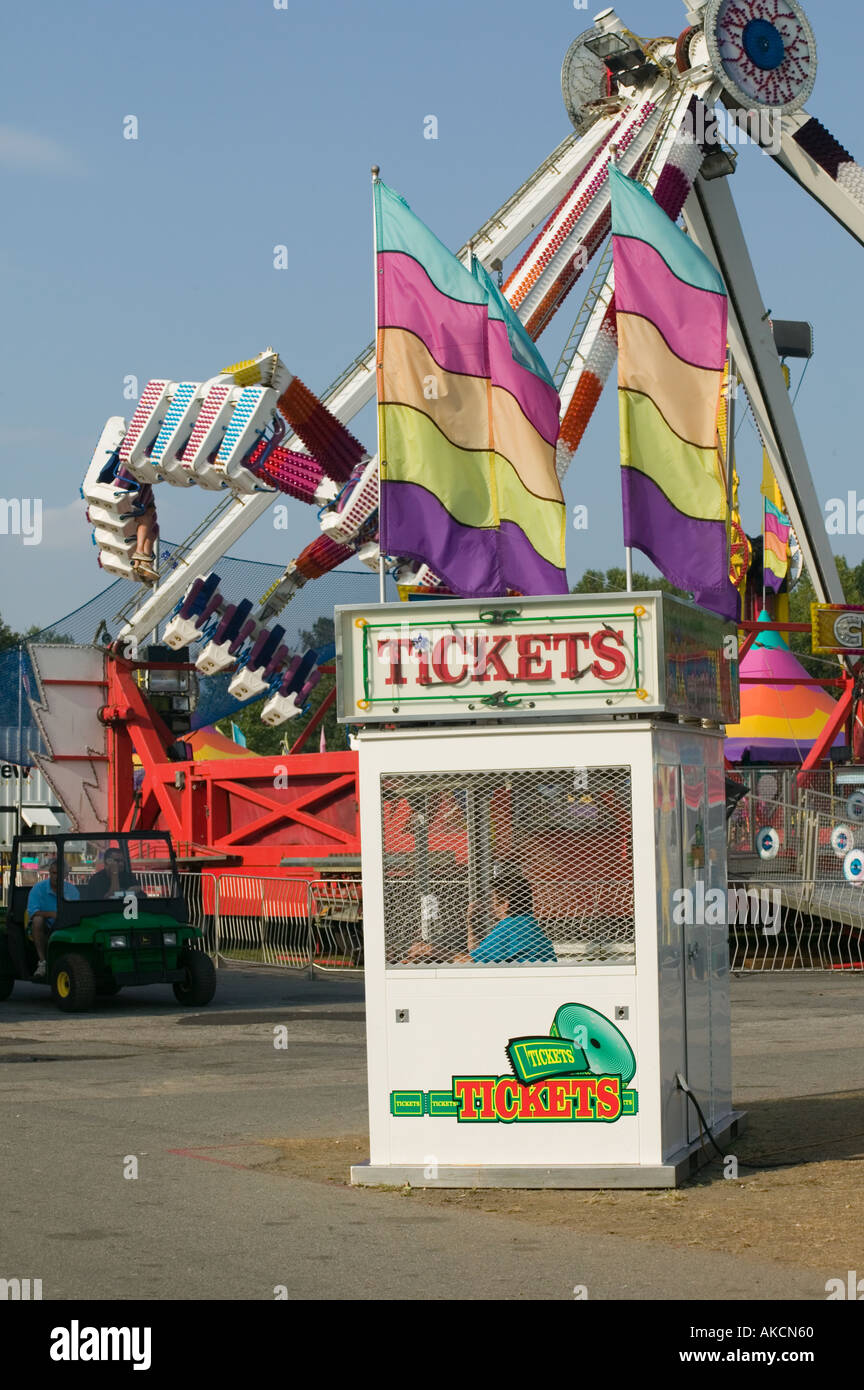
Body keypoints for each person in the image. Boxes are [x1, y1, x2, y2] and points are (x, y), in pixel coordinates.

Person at [460, 874, 556, 964]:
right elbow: (477, 953)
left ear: (505, 904)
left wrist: (447, 955)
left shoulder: (510, 927)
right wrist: (471, 923)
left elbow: (471, 962)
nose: (491, 905)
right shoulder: (528, 923)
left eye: (493, 900)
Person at [27, 859, 80, 979]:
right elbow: (33, 912)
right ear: (50, 873)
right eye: (54, 873)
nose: (56, 876)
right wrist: (52, 914)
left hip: (66, 924)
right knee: (37, 920)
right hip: (46, 925)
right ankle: (42, 962)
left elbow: (77, 910)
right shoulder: (38, 889)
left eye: (60, 874)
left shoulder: (72, 890)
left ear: (66, 875)